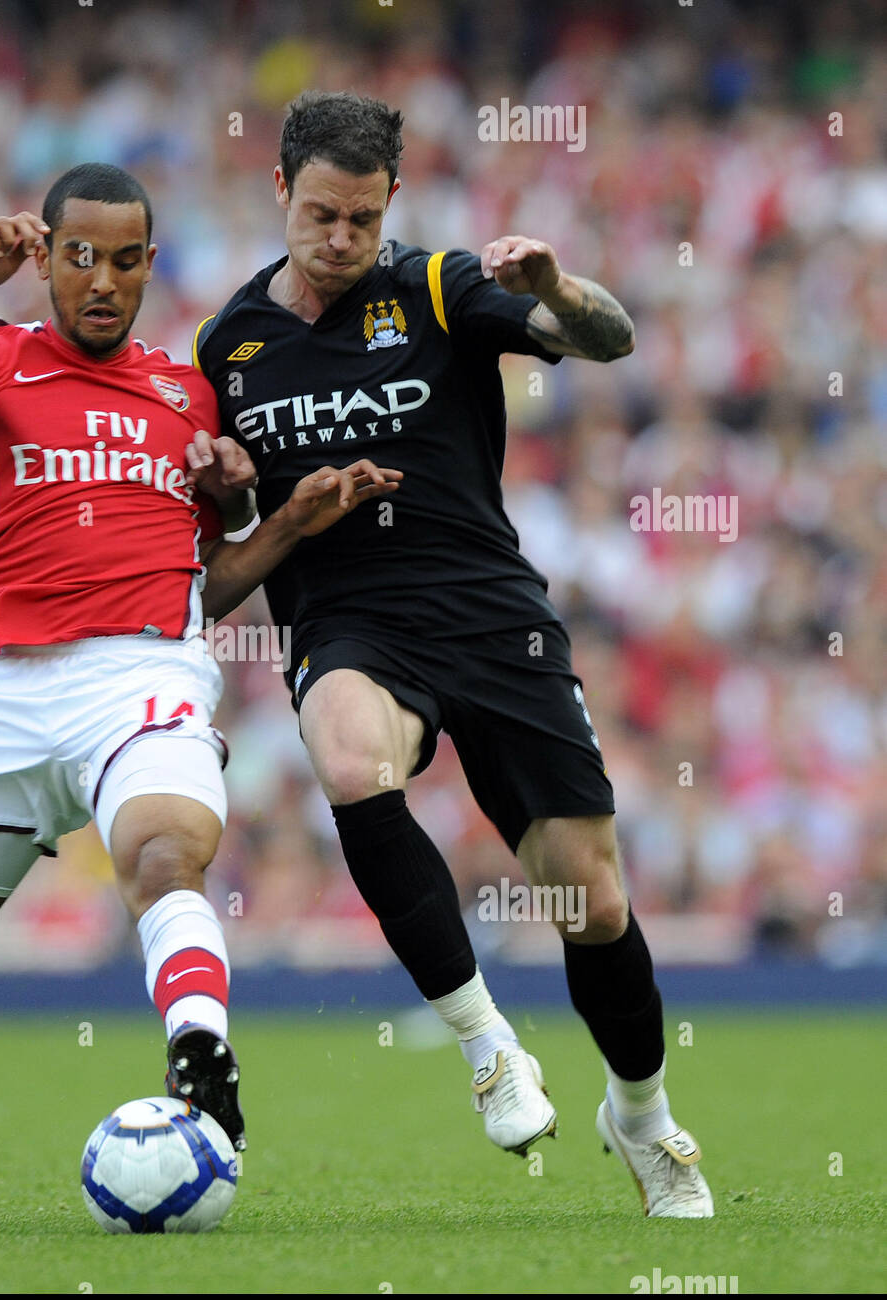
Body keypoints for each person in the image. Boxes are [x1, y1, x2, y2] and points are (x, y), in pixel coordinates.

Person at [0, 161, 398, 1225]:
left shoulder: (187, 395)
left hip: (144, 673)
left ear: (146, 268)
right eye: (79, 255)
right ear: (44, 257)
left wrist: (279, 525)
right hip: (2, 694)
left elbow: (201, 584)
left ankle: (198, 1050)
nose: (100, 280)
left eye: (124, 261)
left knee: (165, 849)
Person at [193, 93, 712, 1217]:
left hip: (492, 619)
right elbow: (214, 556)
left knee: (593, 906)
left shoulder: (436, 286)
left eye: (364, 219)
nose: (342, 239)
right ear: (278, 191)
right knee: (344, 759)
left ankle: (644, 1118)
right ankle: (488, 1050)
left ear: (392, 207)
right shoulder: (226, 345)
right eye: (323, 214)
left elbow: (608, 338)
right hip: (349, 621)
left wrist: (553, 290)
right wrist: (230, 493)